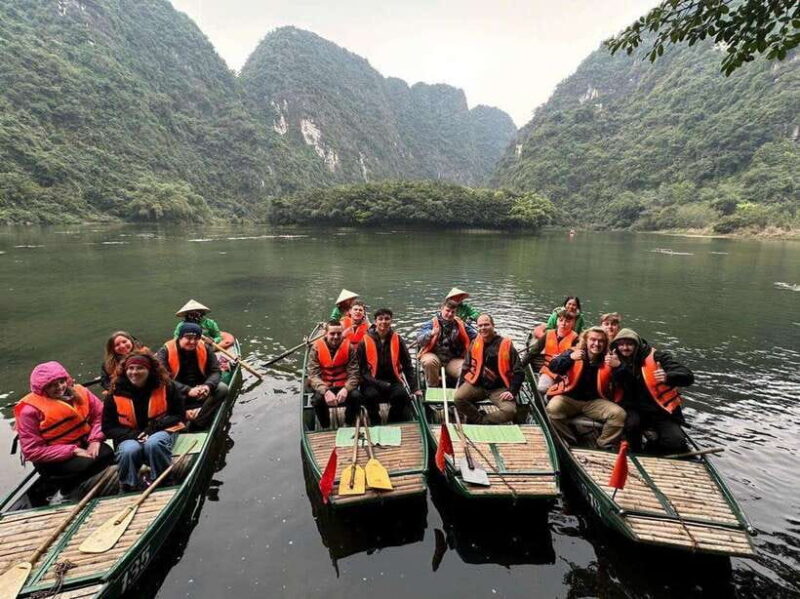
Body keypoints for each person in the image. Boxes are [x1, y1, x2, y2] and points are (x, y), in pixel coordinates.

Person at [14, 361, 114, 497]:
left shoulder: (80, 392)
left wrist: (95, 440)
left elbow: (101, 415)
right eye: (53, 385)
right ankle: (71, 490)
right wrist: (72, 450)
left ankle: (94, 484)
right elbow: (32, 451)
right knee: (86, 463)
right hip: (54, 457)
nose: (60, 387)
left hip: (83, 443)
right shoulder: (28, 411)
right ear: (43, 388)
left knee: (106, 452)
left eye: (62, 382)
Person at [103, 351, 185, 492]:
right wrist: (134, 435)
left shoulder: (166, 386)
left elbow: (178, 414)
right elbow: (108, 427)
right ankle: (129, 485)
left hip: (161, 430)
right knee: (129, 450)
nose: (134, 372)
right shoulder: (114, 394)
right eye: (131, 368)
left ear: (149, 370)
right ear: (125, 370)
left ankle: (163, 480)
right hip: (129, 436)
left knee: (153, 444)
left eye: (140, 368)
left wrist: (152, 429)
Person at [610, 329, 694, 453]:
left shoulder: (657, 357)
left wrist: (668, 376)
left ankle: (652, 447)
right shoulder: (613, 359)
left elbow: (687, 376)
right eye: (621, 344)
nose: (625, 348)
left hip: (659, 410)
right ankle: (635, 451)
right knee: (632, 426)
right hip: (632, 408)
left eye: (629, 344)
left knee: (676, 442)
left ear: (637, 344)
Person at [544, 327, 626, 449]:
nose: (596, 344)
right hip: (568, 399)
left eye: (601, 341)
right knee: (552, 410)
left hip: (594, 402)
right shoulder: (572, 353)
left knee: (619, 414)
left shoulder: (610, 358)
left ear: (605, 343)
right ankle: (570, 440)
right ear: (586, 341)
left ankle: (603, 443)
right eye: (593, 340)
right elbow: (553, 367)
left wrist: (619, 367)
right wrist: (570, 358)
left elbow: (625, 382)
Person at [454, 314, 524, 424]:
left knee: (510, 411)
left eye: (486, 325)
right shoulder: (474, 343)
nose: (483, 328)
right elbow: (466, 366)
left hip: (499, 388)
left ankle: (484, 420)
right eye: (480, 326)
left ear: (493, 325)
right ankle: (477, 418)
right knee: (458, 398)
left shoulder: (506, 345)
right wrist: (461, 385)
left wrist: (512, 391)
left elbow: (519, 372)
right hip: (477, 385)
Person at [158, 322, 228, 431]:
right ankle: (184, 415)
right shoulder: (165, 351)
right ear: (180, 337)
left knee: (222, 388)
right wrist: (188, 390)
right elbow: (163, 378)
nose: (192, 342)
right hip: (177, 393)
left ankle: (197, 422)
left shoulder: (205, 347)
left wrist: (207, 386)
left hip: (200, 391)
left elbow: (215, 371)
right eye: (188, 338)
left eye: (196, 338)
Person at [356, 308, 420, 424]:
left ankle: (392, 421)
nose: (384, 322)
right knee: (370, 396)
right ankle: (375, 421)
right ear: (375, 322)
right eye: (380, 319)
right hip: (372, 381)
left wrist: (414, 388)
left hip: (392, 380)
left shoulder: (398, 339)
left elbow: (407, 364)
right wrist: (378, 383)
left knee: (401, 396)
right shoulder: (364, 341)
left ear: (391, 321)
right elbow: (362, 370)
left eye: (387, 319)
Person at [307, 320, 362, 428]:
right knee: (317, 400)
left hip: (343, 384)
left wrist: (346, 389)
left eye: (339, 333)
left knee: (356, 396)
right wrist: (326, 391)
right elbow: (313, 375)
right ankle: (325, 425)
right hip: (324, 384)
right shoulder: (316, 348)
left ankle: (349, 422)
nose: (336, 337)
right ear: (326, 334)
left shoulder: (349, 347)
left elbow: (354, 373)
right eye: (332, 333)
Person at [416, 299, 476, 387]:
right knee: (429, 362)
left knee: (466, 369)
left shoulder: (461, 324)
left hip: (452, 359)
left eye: (453, 312)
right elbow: (420, 339)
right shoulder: (430, 324)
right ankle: (433, 387)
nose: (450, 314)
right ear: (441, 309)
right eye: (447, 311)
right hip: (433, 355)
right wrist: (431, 333)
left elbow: (476, 336)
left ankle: (459, 391)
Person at [525, 307, 580, 392]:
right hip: (548, 371)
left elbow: (576, 360)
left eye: (567, 321)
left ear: (572, 323)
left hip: (566, 373)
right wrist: (520, 366)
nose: (563, 324)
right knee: (542, 389)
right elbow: (533, 353)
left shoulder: (576, 339)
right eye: (561, 320)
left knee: (565, 391)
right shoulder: (548, 334)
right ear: (557, 321)